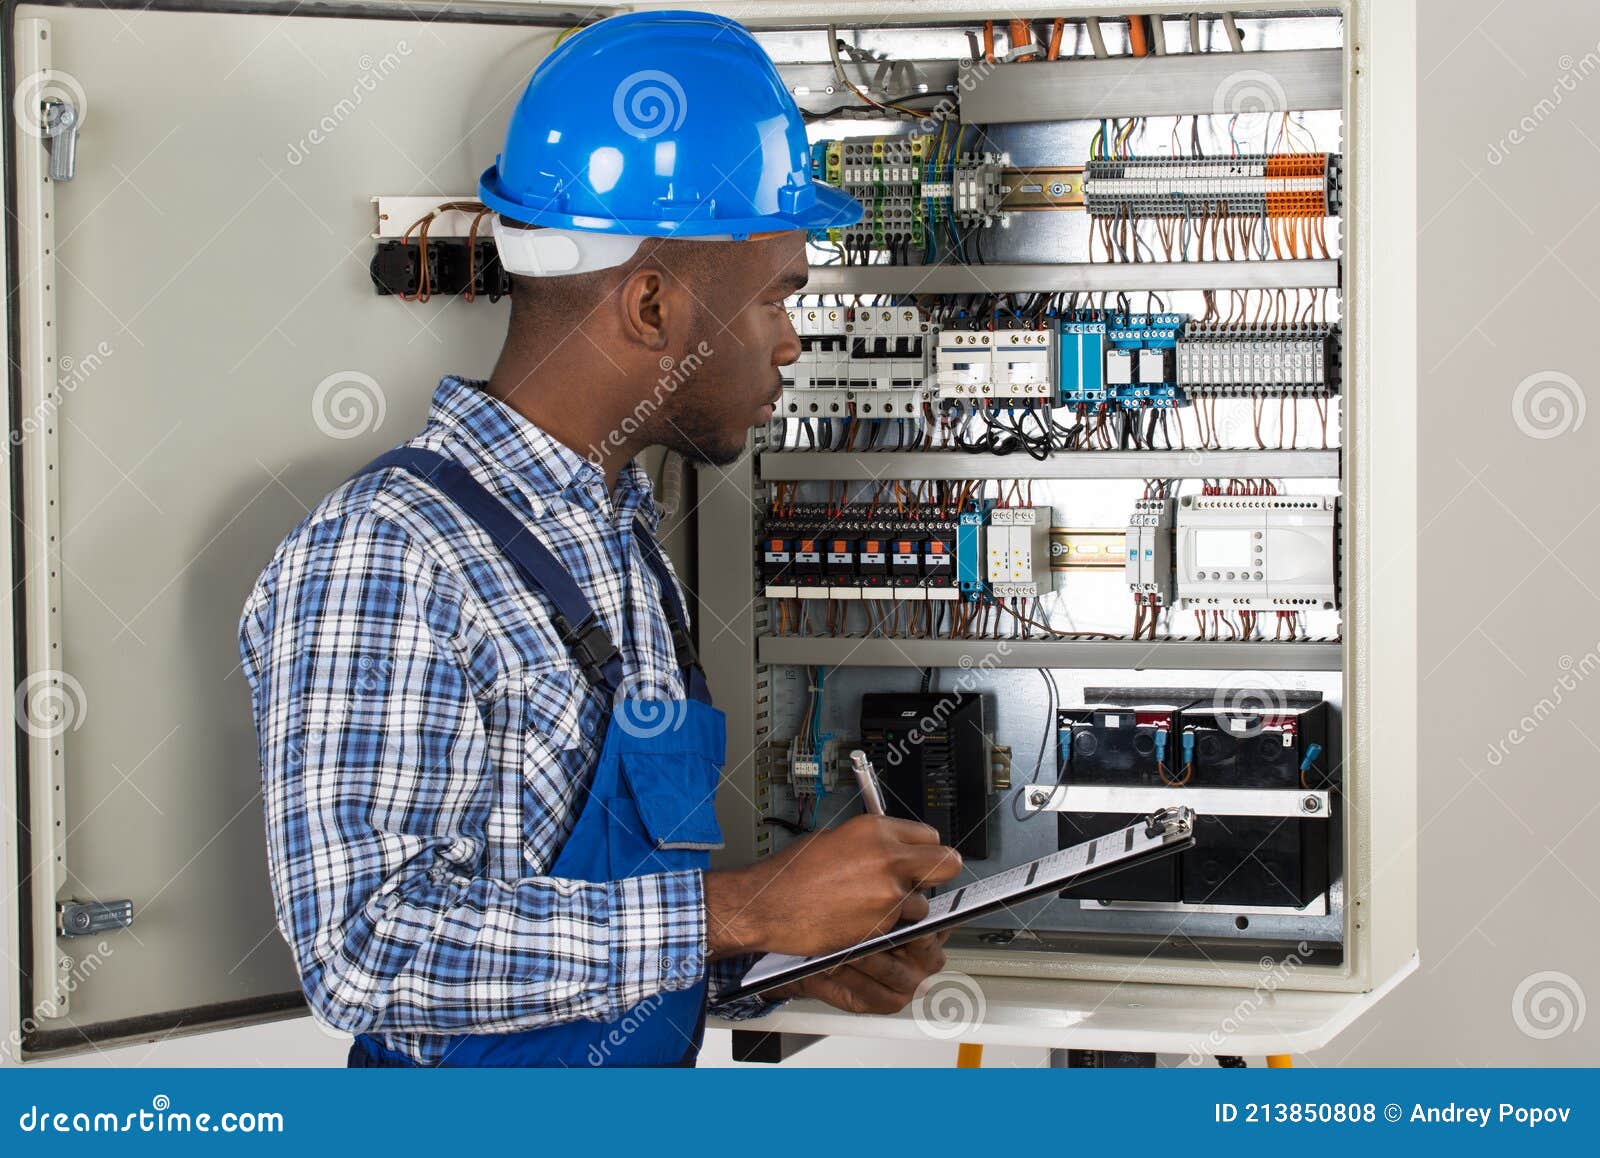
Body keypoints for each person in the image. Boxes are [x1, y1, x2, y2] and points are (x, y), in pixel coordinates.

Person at [238, 10, 962, 1068]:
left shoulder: (621, 542)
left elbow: (589, 919)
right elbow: (363, 947)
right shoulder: (391, 553)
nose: (791, 343)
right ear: (653, 308)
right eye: (775, 300)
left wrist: (779, 955)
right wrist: (742, 909)